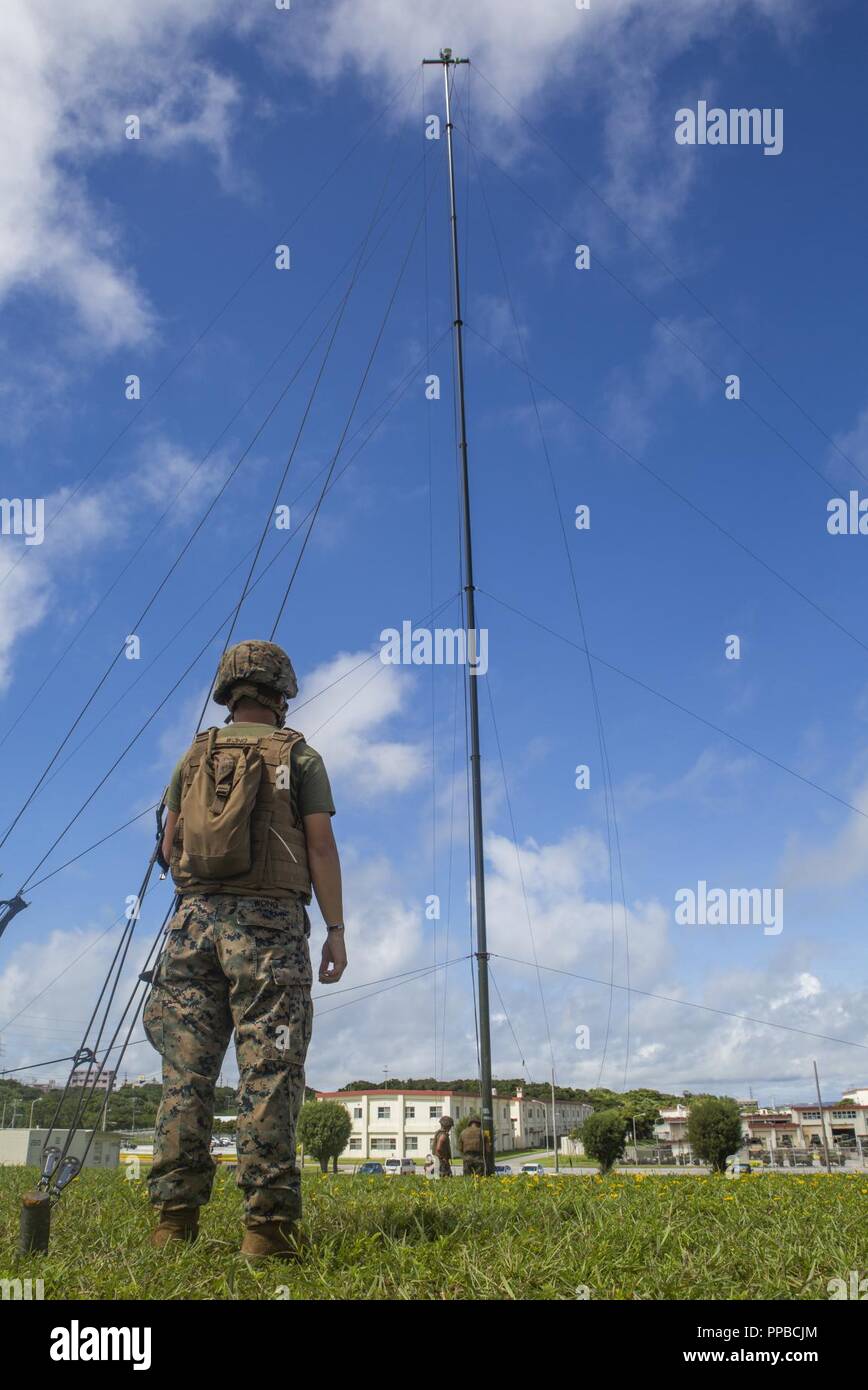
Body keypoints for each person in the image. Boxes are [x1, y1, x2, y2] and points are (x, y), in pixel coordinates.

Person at [143, 639, 347, 1260]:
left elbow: (168, 847)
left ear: (227, 692)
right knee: (269, 1075)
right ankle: (267, 1232)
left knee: (184, 1076)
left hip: (191, 931)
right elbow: (319, 847)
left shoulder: (193, 756)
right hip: (269, 936)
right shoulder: (299, 757)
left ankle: (172, 1225)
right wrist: (335, 929)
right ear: (282, 693)